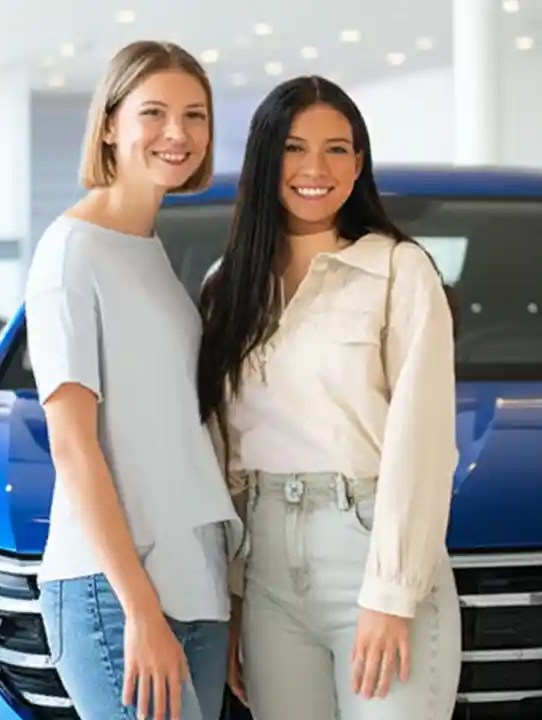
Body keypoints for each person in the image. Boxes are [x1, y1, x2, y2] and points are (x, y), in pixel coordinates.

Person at [196, 75, 462, 719]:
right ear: (265, 159)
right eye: (294, 147)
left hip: (367, 547)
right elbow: (220, 452)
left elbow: (422, 445)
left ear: (360, 162)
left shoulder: (400, 270)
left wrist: (392, 594)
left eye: (338, 149)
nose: (316, 168)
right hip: (266, 568)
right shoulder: (226, 286)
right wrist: (231, 594)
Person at [26, 41, 242, 720]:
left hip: (191, 579)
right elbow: (73, 447)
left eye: (195, 115)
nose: (177, 134)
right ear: (111, 122)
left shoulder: (149, 253)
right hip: (118, 590)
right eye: (154, 112)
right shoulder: (72, 251)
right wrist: (141, 611)